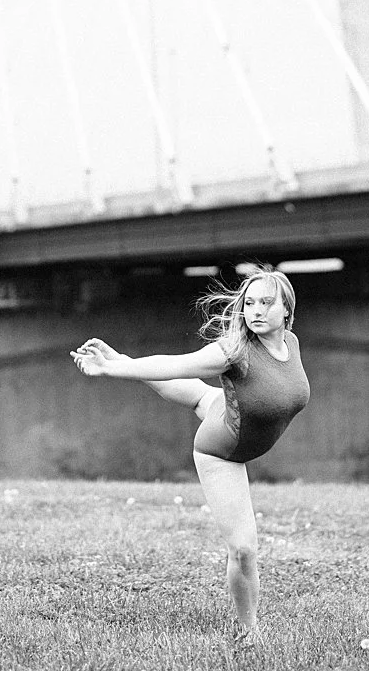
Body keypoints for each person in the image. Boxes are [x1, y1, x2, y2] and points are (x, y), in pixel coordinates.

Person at [71, 267, 309, 643]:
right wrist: (114, 368)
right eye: (249, 303)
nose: (256, 311)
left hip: (226, 407)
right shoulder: (233, 351)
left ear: (287, 310)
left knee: (199, 394)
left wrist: (123, 361)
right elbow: (176, 364)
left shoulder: (289, 343)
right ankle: (249, 632)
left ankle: (125, 359)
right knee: (243, 549)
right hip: (223, 449)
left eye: (266, 303)